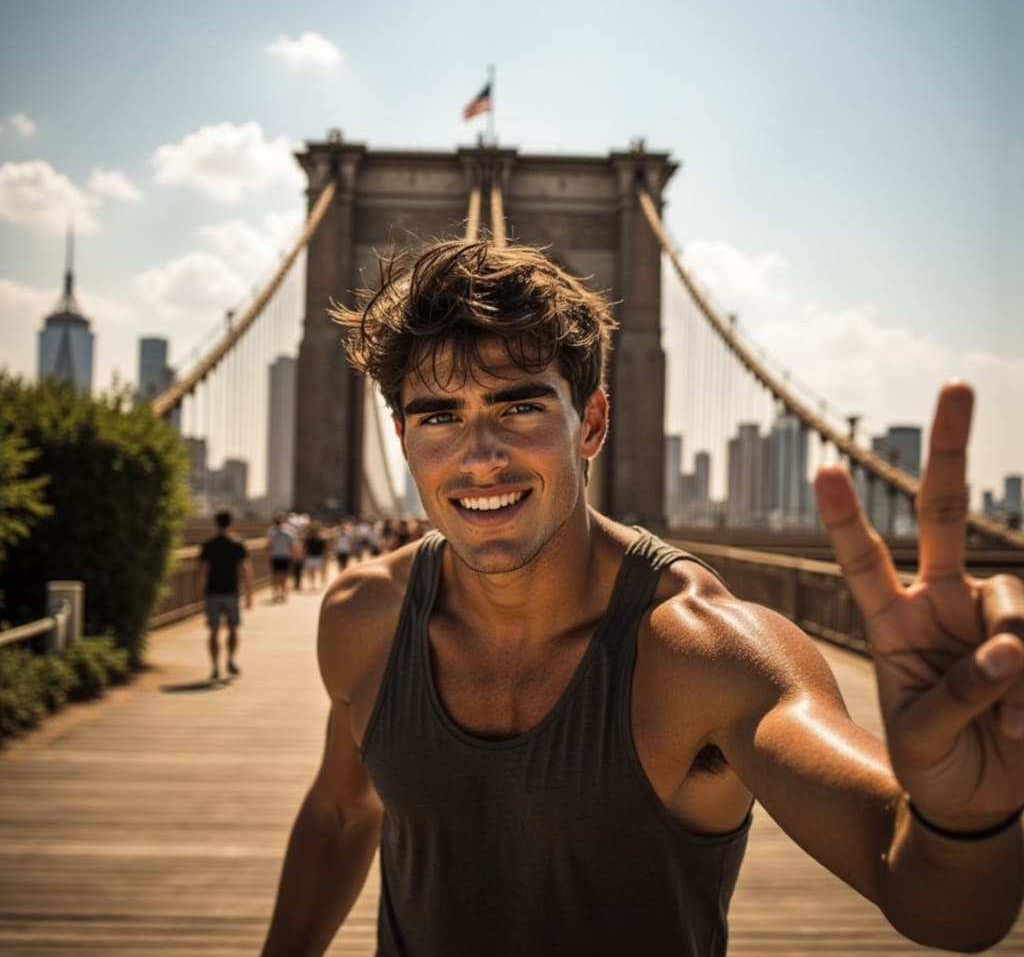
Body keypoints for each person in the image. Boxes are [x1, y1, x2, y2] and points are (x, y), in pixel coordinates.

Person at [261, 241, 1023, 956]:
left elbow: (935, 900)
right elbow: (341, 807)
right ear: (402, 437)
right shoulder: (366, 616)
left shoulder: (702, 652)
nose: (479, 457)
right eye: (440, 417)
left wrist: (963, 820)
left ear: (590, 423)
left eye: (519, 408)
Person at [197, 510, 252, 680]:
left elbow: (203, 572)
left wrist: (200, 593)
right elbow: (245, 570)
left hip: (212, 593)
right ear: (231, 523)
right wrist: (249, 593)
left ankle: (214, 665)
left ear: (216, 523)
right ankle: (230, 659)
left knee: (213, 631)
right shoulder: (237, 544)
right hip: (231, 593)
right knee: (233, 629)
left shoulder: (208, 544)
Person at [267, 515, 295, 603]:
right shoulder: (287, 532)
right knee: (284, 576)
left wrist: (268, 554)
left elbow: (269, 545)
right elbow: (291, 546)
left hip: (275, 556)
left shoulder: (271, 532)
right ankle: (283, 593)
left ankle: (276, 593)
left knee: (275, 576)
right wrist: (292, 555)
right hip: (284, 556)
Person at [304, 523, 327, 590]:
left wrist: (325, 558)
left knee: (321, 571)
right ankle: (313, 584)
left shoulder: (322, 539)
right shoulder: (308, 539)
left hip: (319, 556)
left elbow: (325, 549)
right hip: (311, 556)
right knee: (311, 571)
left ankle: (322, 583)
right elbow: (306, 548)